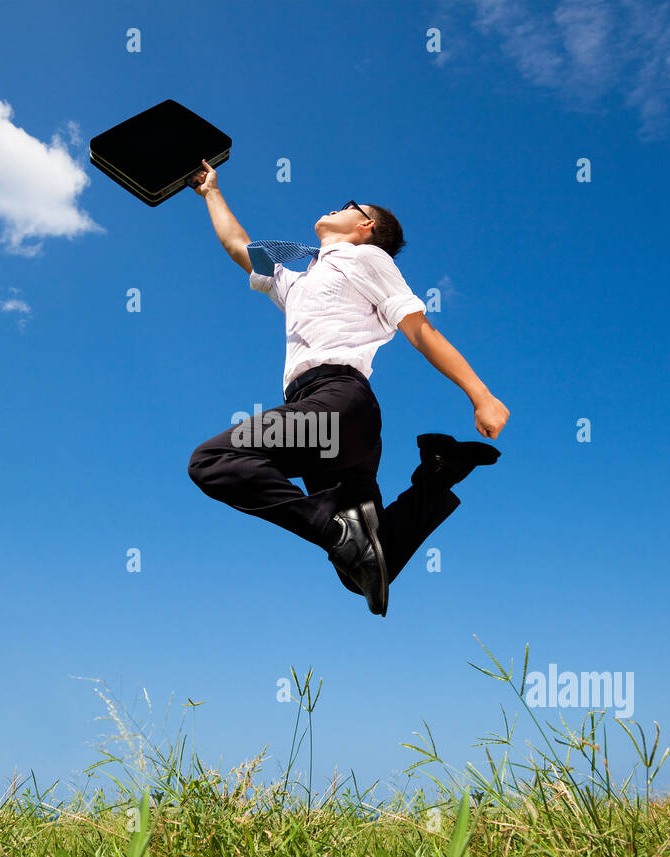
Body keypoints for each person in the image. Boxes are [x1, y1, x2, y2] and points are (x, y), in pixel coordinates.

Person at [186, 159, 509, 616]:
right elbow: (241, 247)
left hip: (338, 403)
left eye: (347, 205)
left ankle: (333, 526)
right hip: (335, 427)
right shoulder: (300, 282)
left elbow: (420, 331)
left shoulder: (366, 257)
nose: (333, 206)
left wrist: (480, 395)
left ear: (366, 225)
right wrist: (211, 192)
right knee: (364, 568)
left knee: (214, 459)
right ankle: (438, 475)